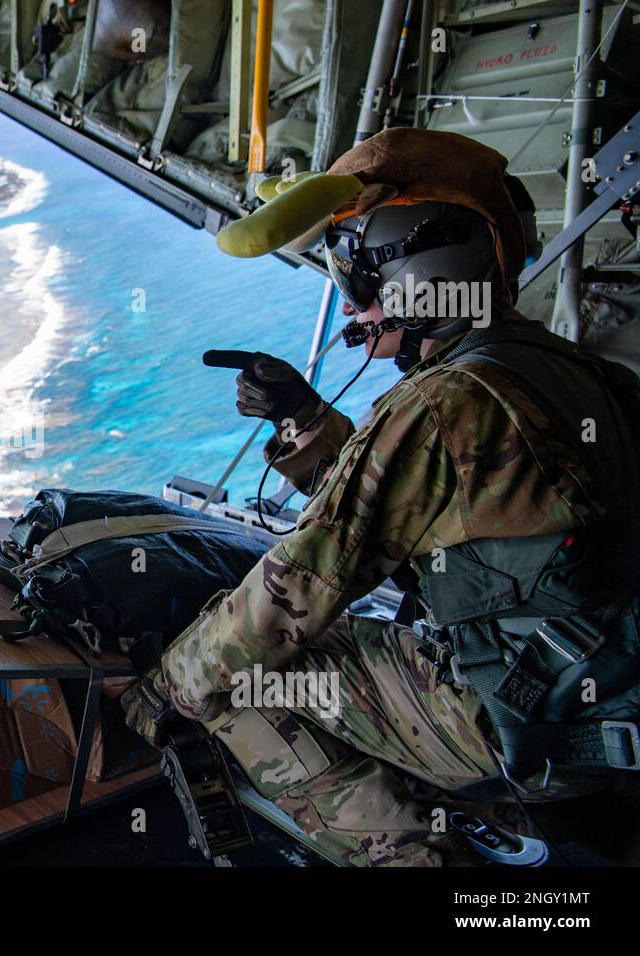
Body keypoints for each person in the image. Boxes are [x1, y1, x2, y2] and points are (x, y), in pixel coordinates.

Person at [124, 128, 640, 866]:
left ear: (419, 266)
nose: (350, 297)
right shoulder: (559, 367)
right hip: (603, 709)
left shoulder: (443, 399)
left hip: (525, 725)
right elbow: (425, 497)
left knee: (238, 673)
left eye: (358, 265)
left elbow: (291, 592)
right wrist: (301, 413)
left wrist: (165, 687)